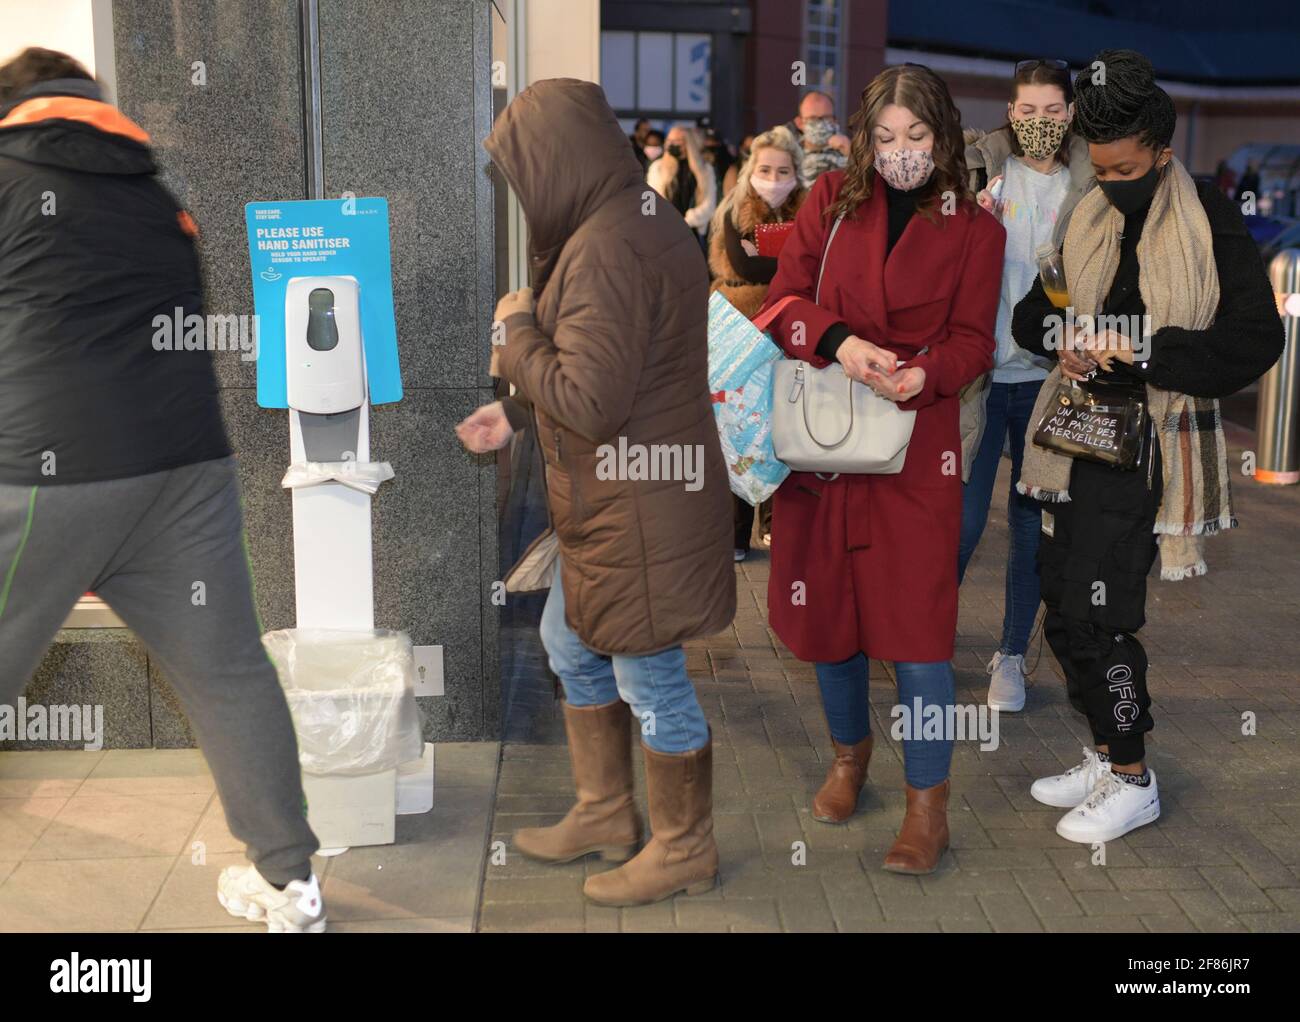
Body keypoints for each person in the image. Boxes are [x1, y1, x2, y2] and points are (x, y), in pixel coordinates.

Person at [0, 48, 324, 931]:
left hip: (47, 472)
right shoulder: (157, 193)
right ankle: (292, 882)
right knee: (226, 670)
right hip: (184, 469)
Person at [459, 78, 735, 905]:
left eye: (523, 174)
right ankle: (606, 810)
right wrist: (514, 412)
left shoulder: (607, 247)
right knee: (573, 643)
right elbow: (618, 371)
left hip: (638, 511)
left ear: (557, 163)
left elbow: (591, 399)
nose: (522, 193)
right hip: (627, 502)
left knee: (652, 681)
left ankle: (686, 847)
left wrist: (513, 336)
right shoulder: (628, 220)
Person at [1011, 50, 1283, 844]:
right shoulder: (1083, 214)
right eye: (1098, 168)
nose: (1111, 181)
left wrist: (1147, 350)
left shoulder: (1209, 218)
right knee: (1060, 602)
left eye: (1126, 167)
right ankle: (1103, 751)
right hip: (1075, 440)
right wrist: (1064, 339)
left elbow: (1253, 339)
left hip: (1151, 450)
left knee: (1104, 615)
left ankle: (1133, 776)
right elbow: (1036, 313)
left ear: (1162, 153)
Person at [756, 64, 1005, 874]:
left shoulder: (976, 228)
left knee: (920, 637)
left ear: (945, 137)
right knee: (831, 621)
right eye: (887, 137)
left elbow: (974, 340)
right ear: (866, 139)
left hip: (914, 448)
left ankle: (926, 808)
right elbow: (782, 303)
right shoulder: (830, 203)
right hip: (824, 445)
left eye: (919, 137)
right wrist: (841, 343)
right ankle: (848, 760)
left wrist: (921, 374)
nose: (901, 153)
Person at [956, 59, 1096, 713]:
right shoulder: (981, 170)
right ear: (1010, 113)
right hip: (981, 378)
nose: (1039, 123)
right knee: (957, 521)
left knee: (1027, 525)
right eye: (1027, 111)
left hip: (1048, 382)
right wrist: (964, 210)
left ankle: (1011, 655)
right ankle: (921, 637)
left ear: (1070, 113)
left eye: (1051, 112)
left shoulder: (1088, 182)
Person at [708, 126, 808, 561]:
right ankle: (732, 534)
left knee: (778, 430)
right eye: (765, 168)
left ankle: (773, 527)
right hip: (738, 329)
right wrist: (785, 257)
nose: (773, 176)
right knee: (734, 430)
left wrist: (769, 256)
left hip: (788, 330)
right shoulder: (735, 207)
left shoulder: (810, 209)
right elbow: (744, 265)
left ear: (796, 173)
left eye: (783, 170)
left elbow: (811, 263)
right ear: (752, 169)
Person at [646, 123, 715, 247]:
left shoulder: (704, 170)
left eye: (677, 140)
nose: (672, 144)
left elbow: (709, 204)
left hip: (693, 233)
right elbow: (649, 200)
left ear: (688, 143)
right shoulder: (657, 168)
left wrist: (688, 221)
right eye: (669, 140)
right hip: (663, 232)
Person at [785, 89, 851, 160]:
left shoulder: (847, 150)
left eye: (826, 117)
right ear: (799, 123)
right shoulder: (788, 155)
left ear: (835, 121)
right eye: (813, 118)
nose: (820, 124)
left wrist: (851, 154)